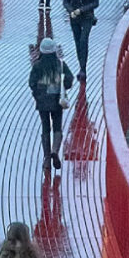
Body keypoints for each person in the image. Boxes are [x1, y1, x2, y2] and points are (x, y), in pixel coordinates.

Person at [29, 36, 73, 172]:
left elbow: (31, 83)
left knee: (45, 127)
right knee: (57, 126)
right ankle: (55, 150)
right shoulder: (60, 64)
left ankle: (47, 158)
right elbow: (69, 78)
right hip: (56, 100)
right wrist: (64, 87)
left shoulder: (37, 65)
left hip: (42, 101)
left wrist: (37, 94)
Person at [63, 0, 99, 79]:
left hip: (87, 17)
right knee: (78, 42)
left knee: (84, 40)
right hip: (75, 18)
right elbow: (65, 1)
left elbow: (95, 2)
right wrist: (71, 11)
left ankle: (83, 68)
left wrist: (82, 10)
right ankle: (81, 65)